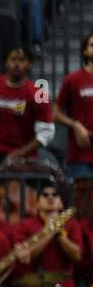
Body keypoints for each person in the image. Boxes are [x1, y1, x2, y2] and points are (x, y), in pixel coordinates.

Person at [0, 182, 83, 287]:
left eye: (55, 195)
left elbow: (77, 256)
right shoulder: (24, 225)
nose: (50, 197)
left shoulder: (71, 224)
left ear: (61, 203)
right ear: (37, 203)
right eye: (45, 195)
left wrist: (59, 235)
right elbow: (25, 257)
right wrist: (49, 231)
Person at [0, 46, 53, 172]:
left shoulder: (39, 94)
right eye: (13, 60)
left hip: (24, 156)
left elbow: (46, 134)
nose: (17, 64)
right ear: (6, 63)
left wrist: (18, 154)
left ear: (29, 64)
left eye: (22, 60)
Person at [55, 31, 93, 178]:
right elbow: (55, 113)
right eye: (92, 45)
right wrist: (75, 124)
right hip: (81, 155)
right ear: (85, 51)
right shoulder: (73, 79)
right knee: (82, 200)